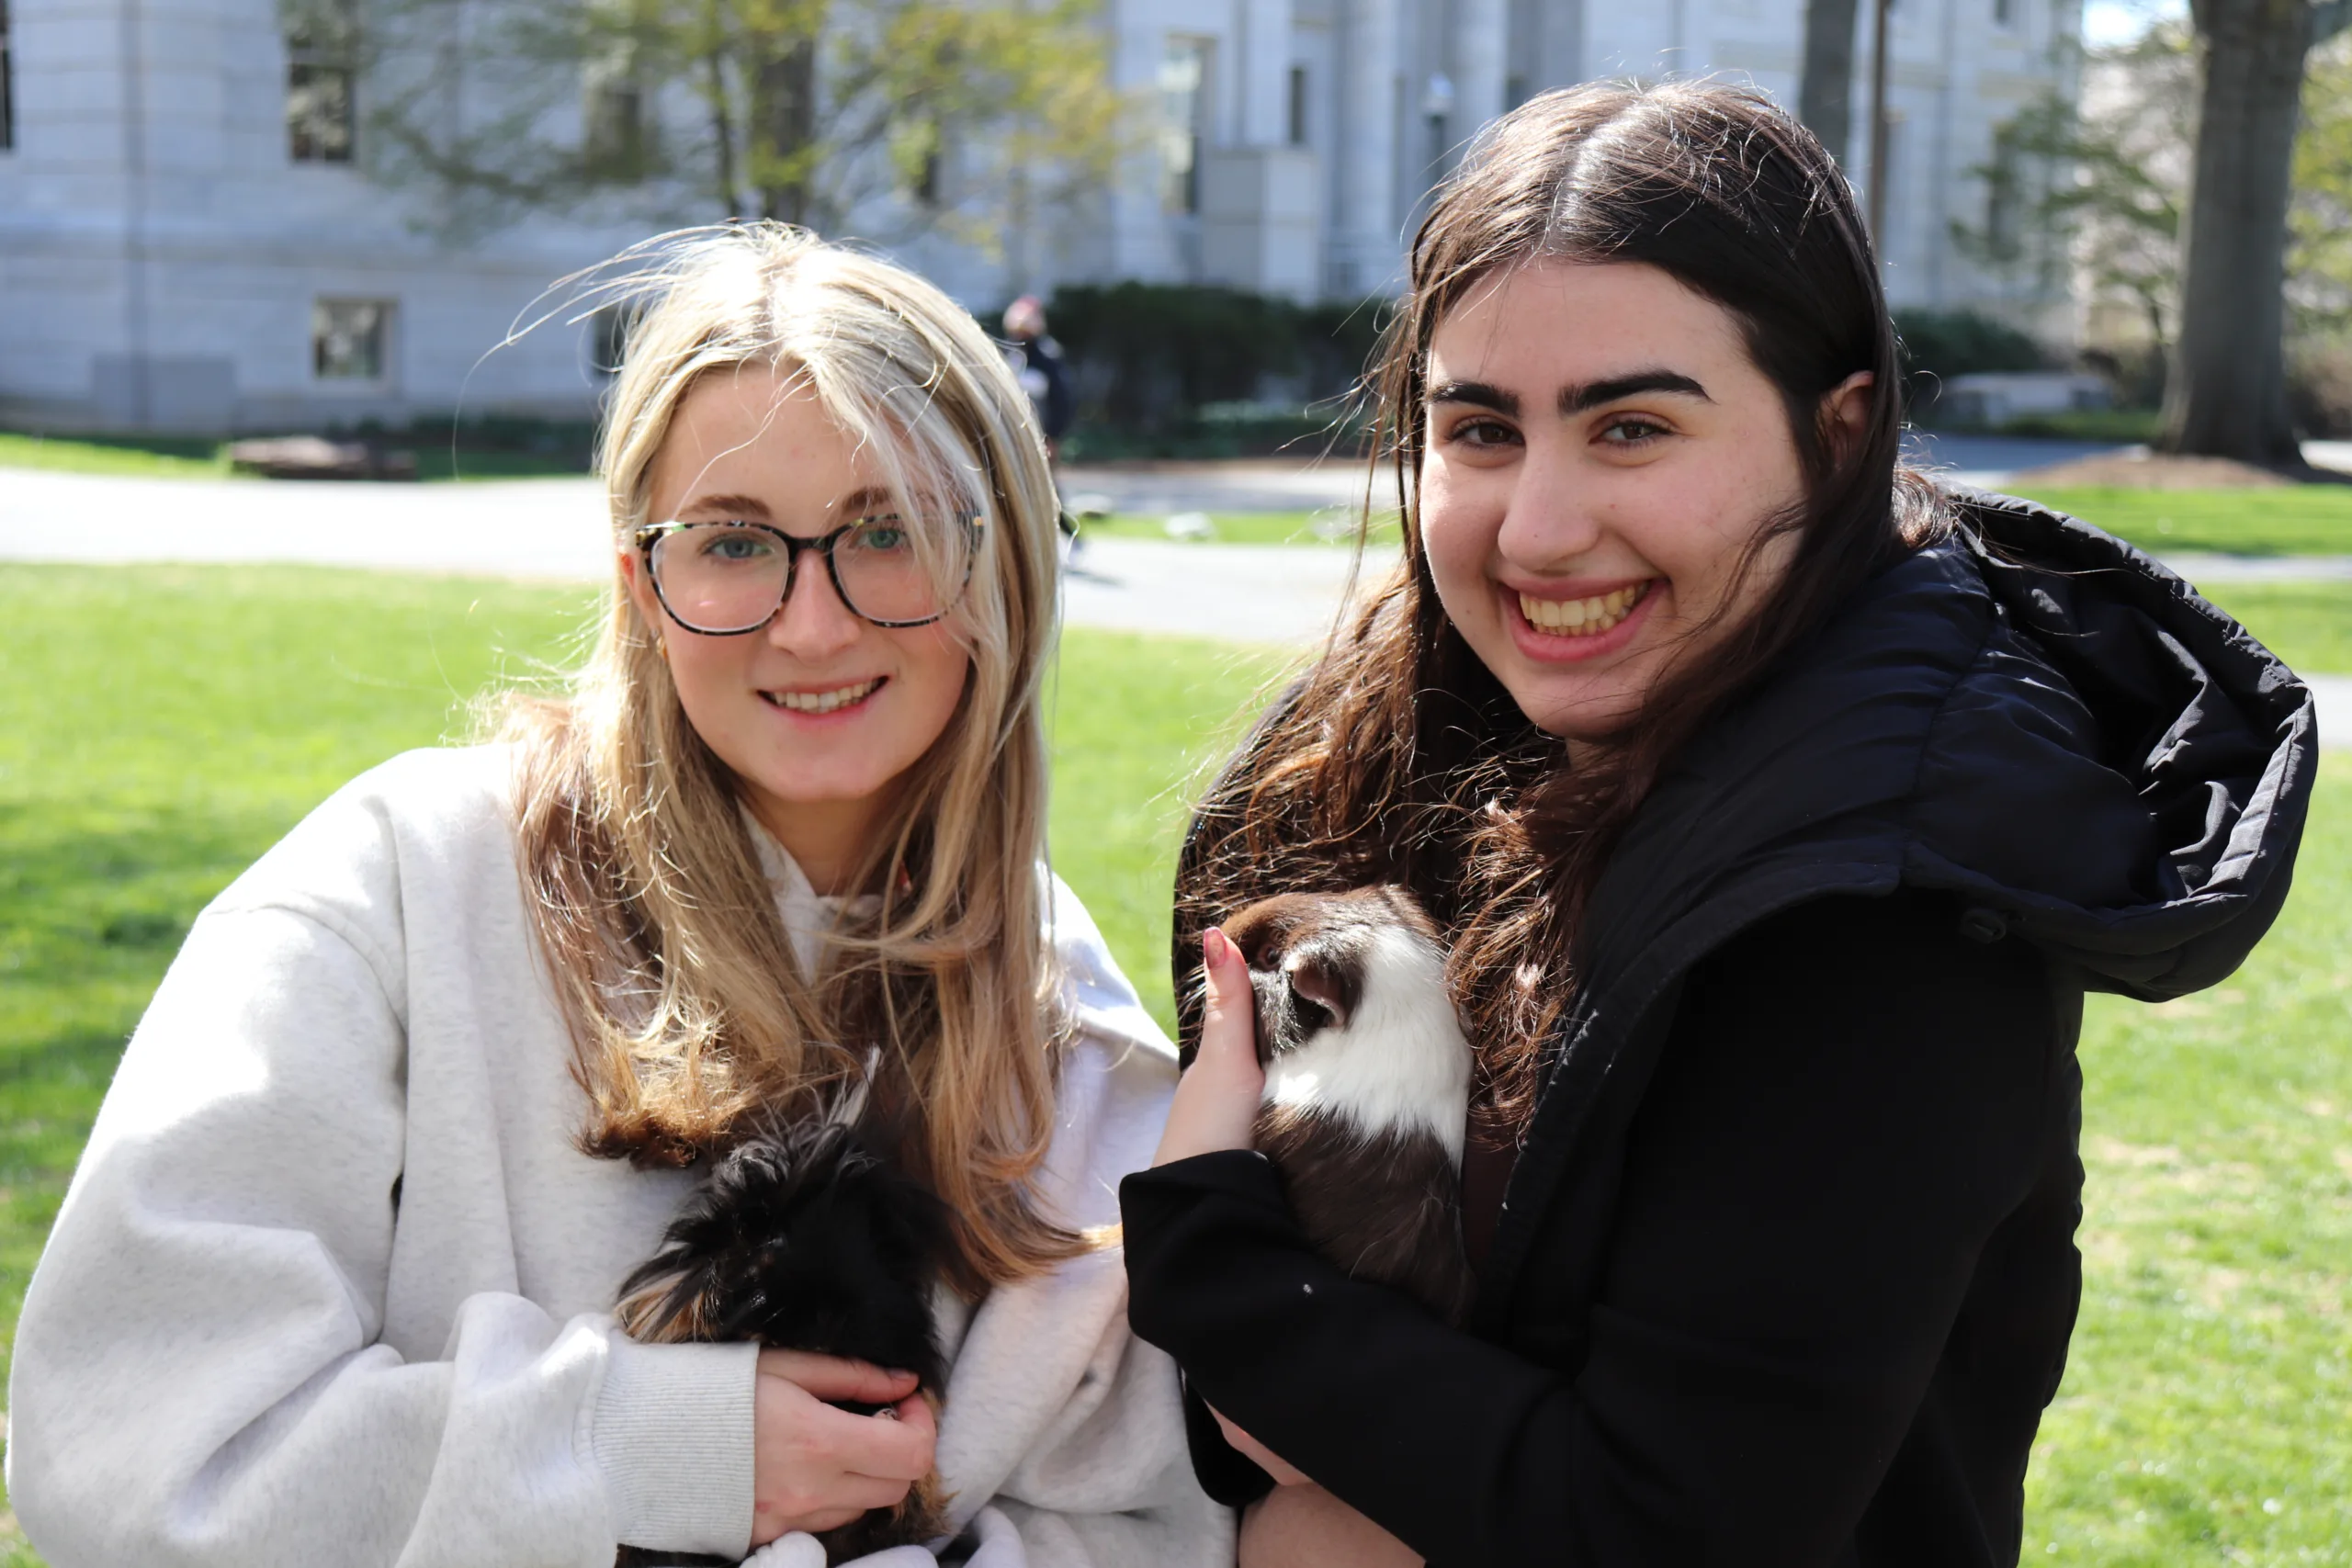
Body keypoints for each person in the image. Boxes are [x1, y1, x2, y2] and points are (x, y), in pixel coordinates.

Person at [1118, 82, 2312, 1566]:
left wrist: (1207, 1262)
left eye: (1632, 427)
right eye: (1479, 430)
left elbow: (1664, 1523)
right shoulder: (1385, 764)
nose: (1539, 527)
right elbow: (1224, 1441)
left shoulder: (1881, 901)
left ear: (1838, 431)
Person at [7, 225, 1227, 1568]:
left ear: (1002, 560)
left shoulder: (1080, 1046)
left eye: (889, 531)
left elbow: (1156, 1521)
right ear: (641, 577)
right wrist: (653, 1446)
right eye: (733, 541)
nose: (811, 624)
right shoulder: (396, 889)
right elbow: (127, 1442)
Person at [1002, 296, 1074, 459]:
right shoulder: (1006, 352)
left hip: (1039, 435)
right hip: (1008, 433)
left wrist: (1053, 435)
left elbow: (1061, 398)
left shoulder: (1047, 356)